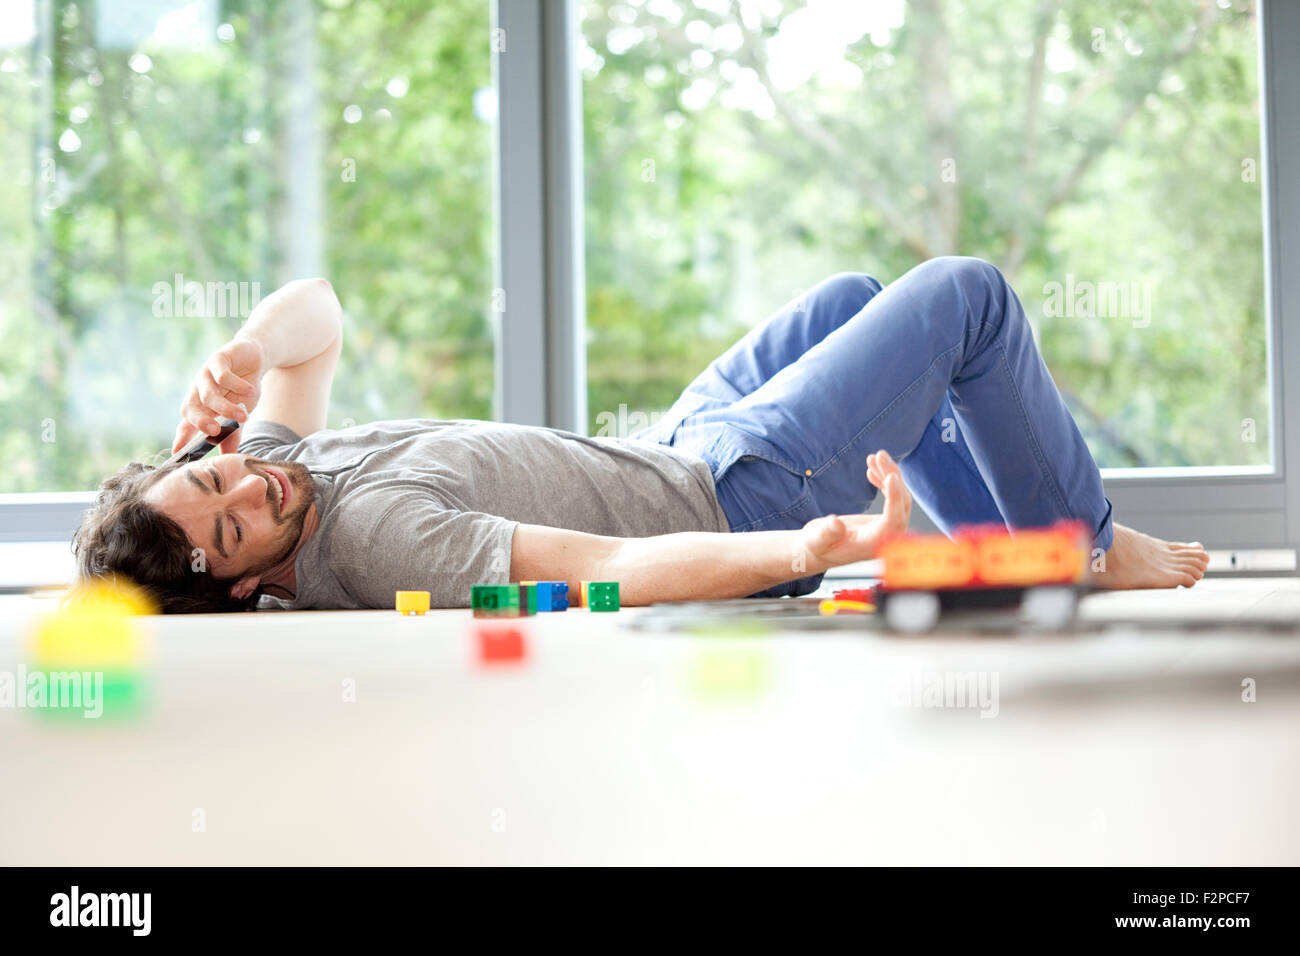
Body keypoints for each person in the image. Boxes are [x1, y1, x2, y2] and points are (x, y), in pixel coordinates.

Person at [72, 258, 1209, 613]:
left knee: (849, 297)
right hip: (737, 495)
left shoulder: (281, 467)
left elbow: (314, 321)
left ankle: (1010, 549)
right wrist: (799, 552)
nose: (255, 492)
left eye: (222, 474)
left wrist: (246, 341)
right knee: (965, 299)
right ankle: (1082, 545)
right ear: (234, 585)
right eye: (231, 525)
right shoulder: (375, 540)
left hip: (681, 443)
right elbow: (607, 569)